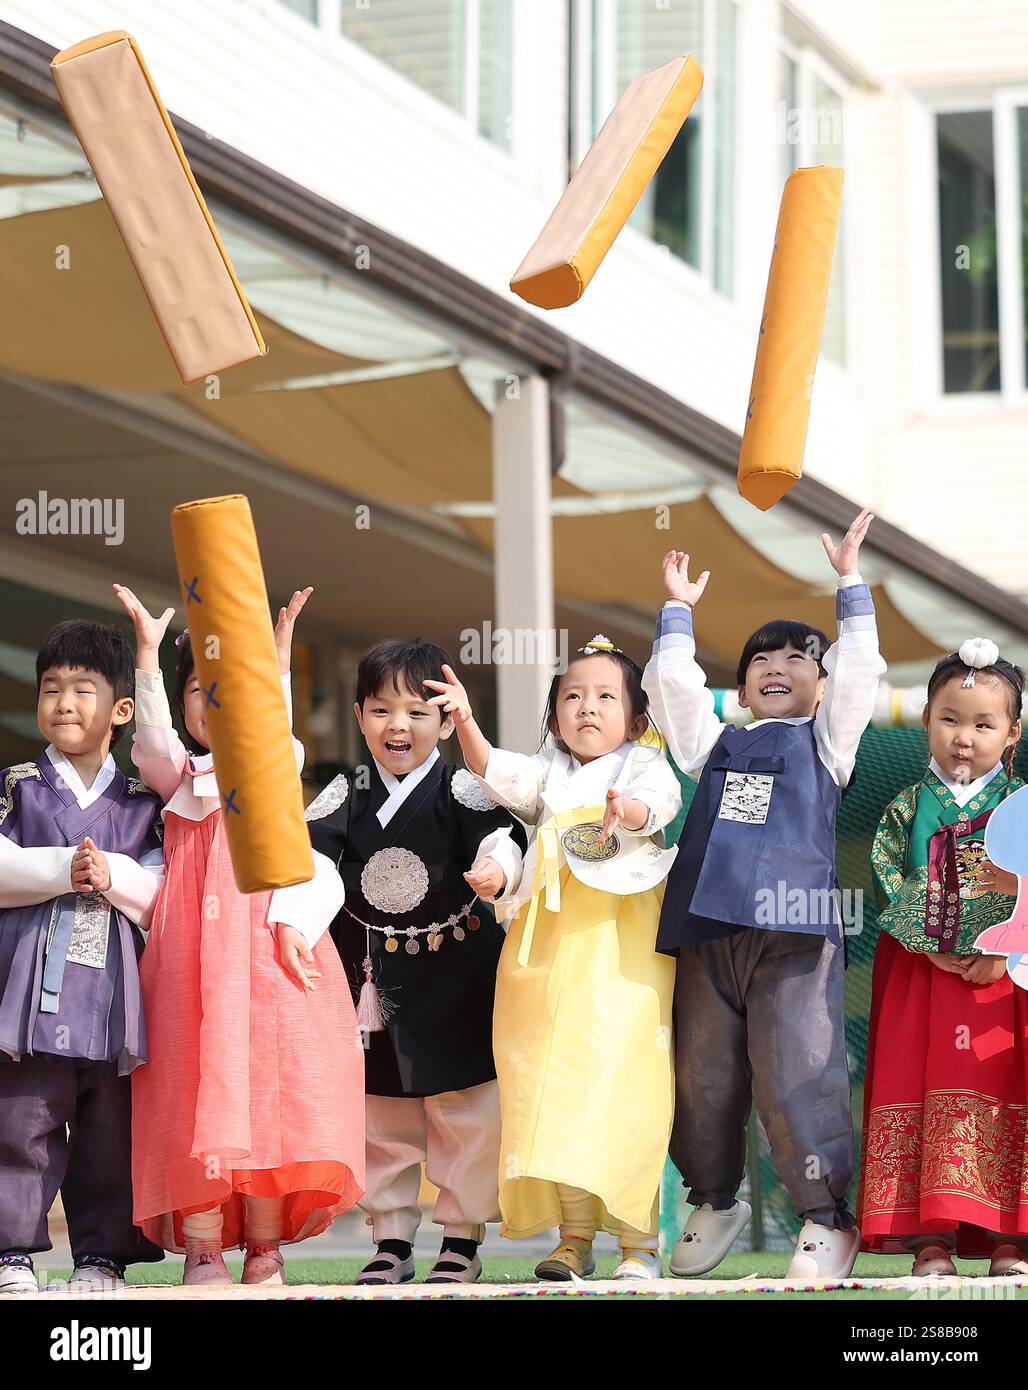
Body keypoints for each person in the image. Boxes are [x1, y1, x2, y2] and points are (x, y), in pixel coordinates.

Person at [644, 509, 885, 1280]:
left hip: (794, 935)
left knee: (797, 1074)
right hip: (705, 930)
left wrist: (850, 585)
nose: (776, 666)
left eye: (796, 657)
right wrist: (677, 612)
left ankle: (825, 1218)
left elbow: (861, 670)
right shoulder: (714, 744)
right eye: (760, 660)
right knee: (702, 1076)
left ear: (823, 684)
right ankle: (715, 1198)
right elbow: (674, 690)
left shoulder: (829, 743)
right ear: (743, 688)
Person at [115, 584, 364, 1287]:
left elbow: (272, 733)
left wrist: (278, 662)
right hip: (188, 961)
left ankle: (264, 1245)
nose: (215, 703)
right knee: (188, 1087)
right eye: (200, 690)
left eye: (230, 689)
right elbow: (153, 739)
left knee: (268, 1092)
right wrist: (146, 656)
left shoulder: (267, 769)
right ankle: (202, 1249)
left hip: (264, 957)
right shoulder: (176, 778)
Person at [427, 636, 680, 1281]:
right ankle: (574, 1239)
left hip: (622, 942)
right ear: (554, 715)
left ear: (637, 718)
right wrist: (464, 719)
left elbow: (659, 805)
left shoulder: (643, 765)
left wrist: (628, 810)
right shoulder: (548, 772)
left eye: (605, 696)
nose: (587, 707)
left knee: (626, 1079)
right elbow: (494, 769)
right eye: (573, 696)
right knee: (553, 1083)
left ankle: (639, 1245)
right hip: (545, 942)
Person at [302, 638, 526, 1286]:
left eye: (416, 712)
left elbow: (503, 837)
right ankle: (391, 1237)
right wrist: (297, 918)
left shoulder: (463, 787)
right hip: (371, 977)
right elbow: (311, 858)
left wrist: (497, 868)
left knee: (466, 1108)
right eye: (380, 710)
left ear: (446, 721)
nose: (397, 725)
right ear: (358, 715)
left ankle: (461, 1238)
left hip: (458, 971)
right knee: (381, 1110)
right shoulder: (346, 790)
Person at [0, 620, 165, 1296]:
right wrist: (63, 868)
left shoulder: (144, 802)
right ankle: (11, 1254)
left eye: (81, 689)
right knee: (19, 1121)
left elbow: (162, 893)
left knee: (109, 1130)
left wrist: (113, 874)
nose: (63, 703)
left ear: (122, 710)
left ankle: (101, 1258)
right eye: (50, 688)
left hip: (113, 997)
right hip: (25, 993)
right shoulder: (15, 786)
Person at [859, 639, 1028, 1276]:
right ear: (927, 718)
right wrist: (929, 948)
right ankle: (929, 1238)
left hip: (1008, 979)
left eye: (984, 725)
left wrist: (1008, 946)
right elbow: (888, 874)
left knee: (1005, 1085)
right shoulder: (907, 806)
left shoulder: (1022, 806)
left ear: (1012, 734)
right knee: (917, 1084)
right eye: (950, 719)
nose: (964, 737)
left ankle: (1011, 1238)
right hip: (920, 974)